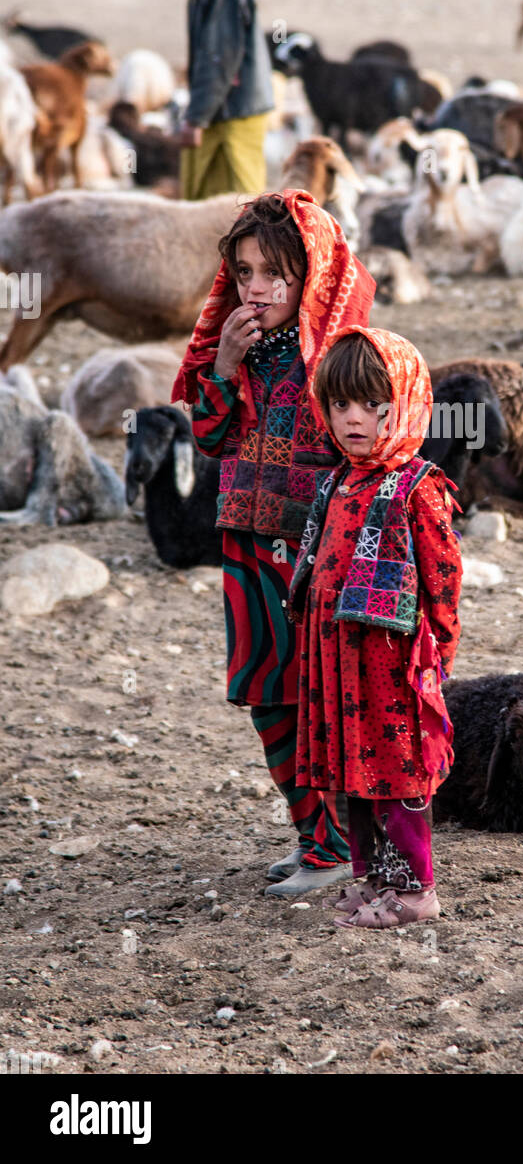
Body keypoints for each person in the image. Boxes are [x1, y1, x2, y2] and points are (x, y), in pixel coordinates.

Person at [171, 189, 376, 896]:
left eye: (273, 274)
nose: (255, 289)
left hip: (315, 556)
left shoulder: (340, 361)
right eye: (244, 272)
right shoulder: (239, 353)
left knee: (321, 696)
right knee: (267, 691)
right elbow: (207, 436)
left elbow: (373, 450)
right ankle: (311, 836)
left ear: (311, 275)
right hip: (245, 543)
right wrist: (223, 370)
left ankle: (338, 846)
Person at [289, 327, 463, 929]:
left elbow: (443, 574)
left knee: (399, 769)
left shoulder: (419, 487)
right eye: (339, 405)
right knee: (354, 768)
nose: (353, 419)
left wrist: (439, 648)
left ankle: (416, 890)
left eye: (372, 405)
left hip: (392, 662)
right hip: (339, 658)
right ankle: (378, 878)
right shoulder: (340, 480)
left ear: (406, 403)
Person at [171, 0, 273, 200]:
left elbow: (219, 56)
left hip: (234, 110)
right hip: (225, 105)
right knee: (211, 203)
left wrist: (196, 118)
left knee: (242, 207)